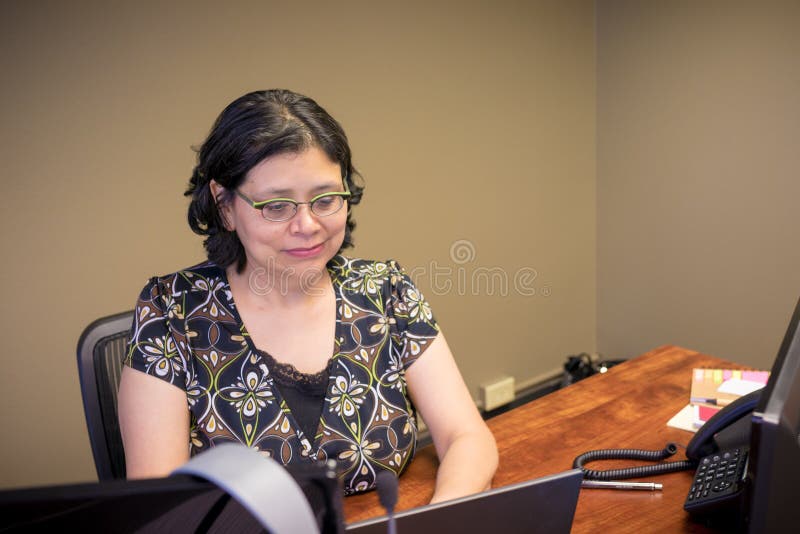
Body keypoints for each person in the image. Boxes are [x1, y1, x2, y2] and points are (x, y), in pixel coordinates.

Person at [117, 89, 497, 502]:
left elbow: (466, 437)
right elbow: (162, 507)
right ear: (224, 205)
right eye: (277, 206)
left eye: (326, 199)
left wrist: (439, 519)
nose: (308, 225)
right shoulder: (171, 311)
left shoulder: (385, 291)